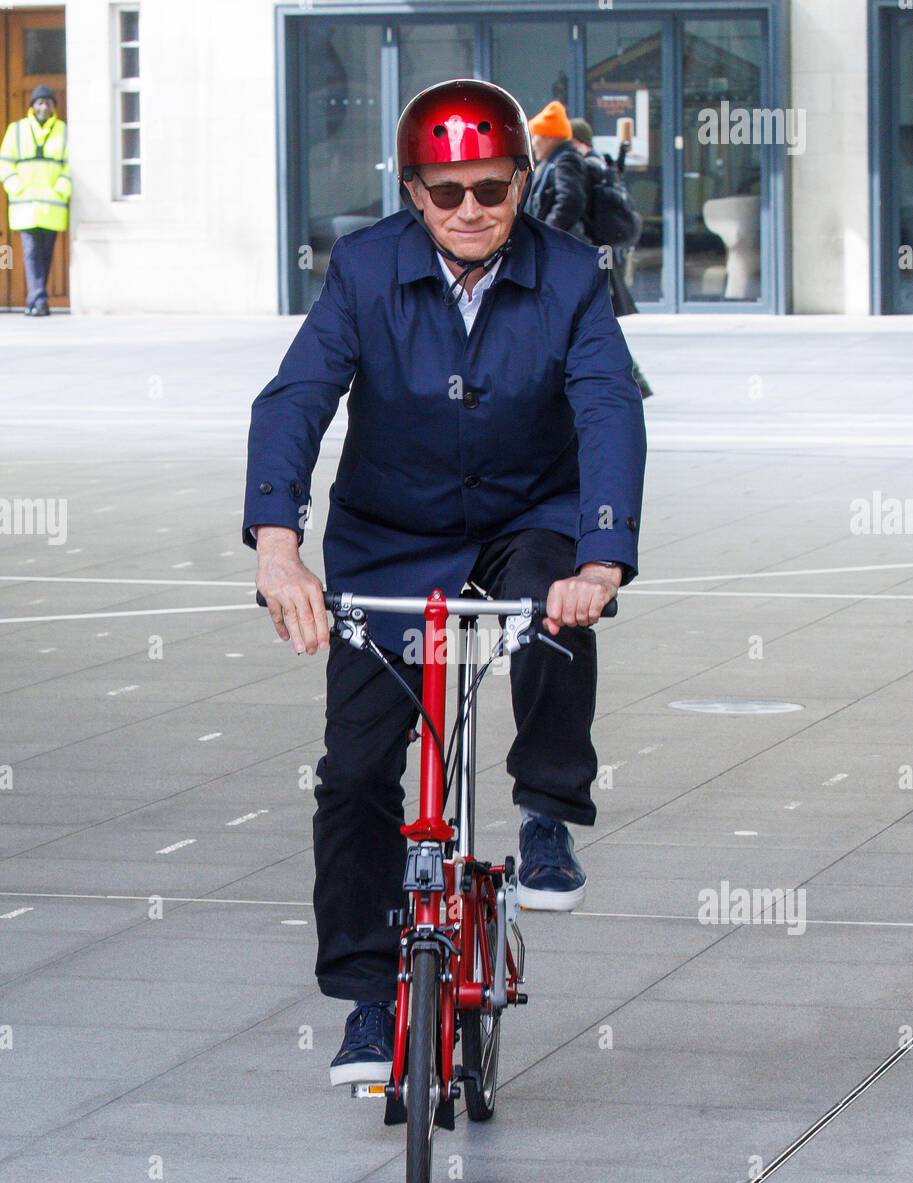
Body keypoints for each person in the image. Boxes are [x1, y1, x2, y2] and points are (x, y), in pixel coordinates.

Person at [243, 79, 646, 1087]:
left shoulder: (568, 275)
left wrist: (601, 552)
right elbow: (298, 395)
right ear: (412, 191)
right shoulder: (367, 268)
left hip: (527, 518)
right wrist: (276, 539)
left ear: (521, 180)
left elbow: (605, 406)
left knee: (551, 613)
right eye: (446, 191)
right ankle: (372, 997)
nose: (470, 209)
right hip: (389, 534)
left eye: (492, 187)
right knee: (352, 773)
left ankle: (549, 809)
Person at [569, 116, 653, 399]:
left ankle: (633, 378)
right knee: (594, 321)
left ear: (576, 141)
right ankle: (633, 378)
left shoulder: (583, 166)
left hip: (591, 255)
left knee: (595, 322)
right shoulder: (601, 163)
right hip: (603, 254)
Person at [0, 86, 71, 317]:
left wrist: (61, 188)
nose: (43, 107)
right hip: (25, 206)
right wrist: (15, 187)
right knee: (31, 253)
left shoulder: (63, 131)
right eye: (39, 102)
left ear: (53, 107)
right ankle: (39, 299)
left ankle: (35, 299)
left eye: (47, 103)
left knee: (45, 254)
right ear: (32, 106)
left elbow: (71, 164)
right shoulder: (16, 130)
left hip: (52, 206)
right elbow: (5, 162)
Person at [524, 100, 588, 238]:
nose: (533, 144)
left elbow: (570, 201)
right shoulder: (552, 161)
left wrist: (547, 235)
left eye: (536, 136)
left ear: (550, 137)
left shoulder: (566, 161)